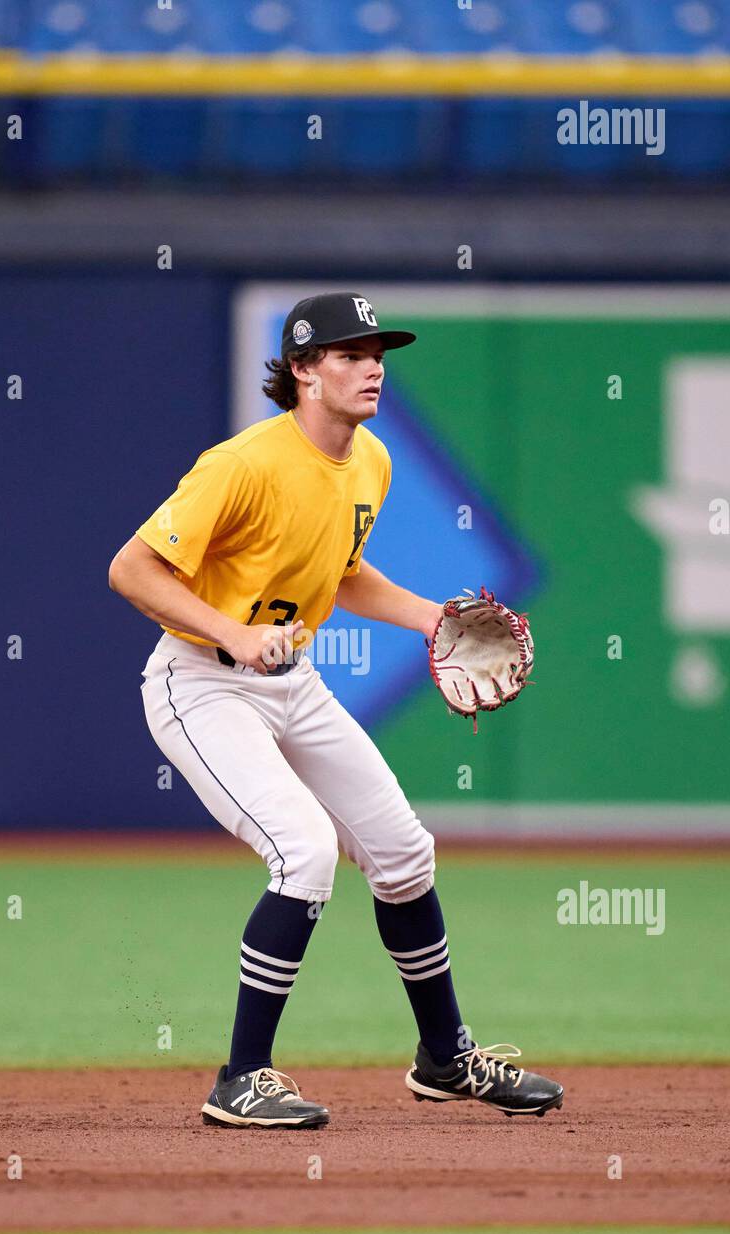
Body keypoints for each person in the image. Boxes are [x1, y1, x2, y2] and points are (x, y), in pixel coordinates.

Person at [109, 291, 563, 1129]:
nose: (373, 368)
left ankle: (446, 1058)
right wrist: (232, 634)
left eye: (378, 353)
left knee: (403, 853)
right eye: (351, 355)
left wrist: (431, 615)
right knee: (305, 852)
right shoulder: (240, 465)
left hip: (294, 682)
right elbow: (133, 569)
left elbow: (343, 572)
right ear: (305, 372)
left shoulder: (372, 462)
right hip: (199, 682)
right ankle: (241, 1078)